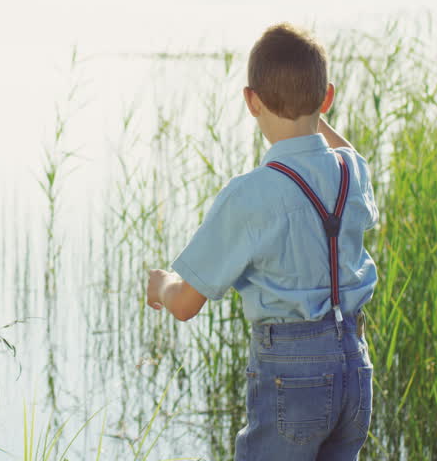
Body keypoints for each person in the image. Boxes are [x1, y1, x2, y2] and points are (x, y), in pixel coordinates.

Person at [145, 23, 378, 461]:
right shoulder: (351, 174)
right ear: (326, 98)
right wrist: (311, 109)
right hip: (355, 369)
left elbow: (185, 304)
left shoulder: (251, 193)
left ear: (251, 101)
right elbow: (350, 154)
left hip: (294, 375)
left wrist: (161, 284)